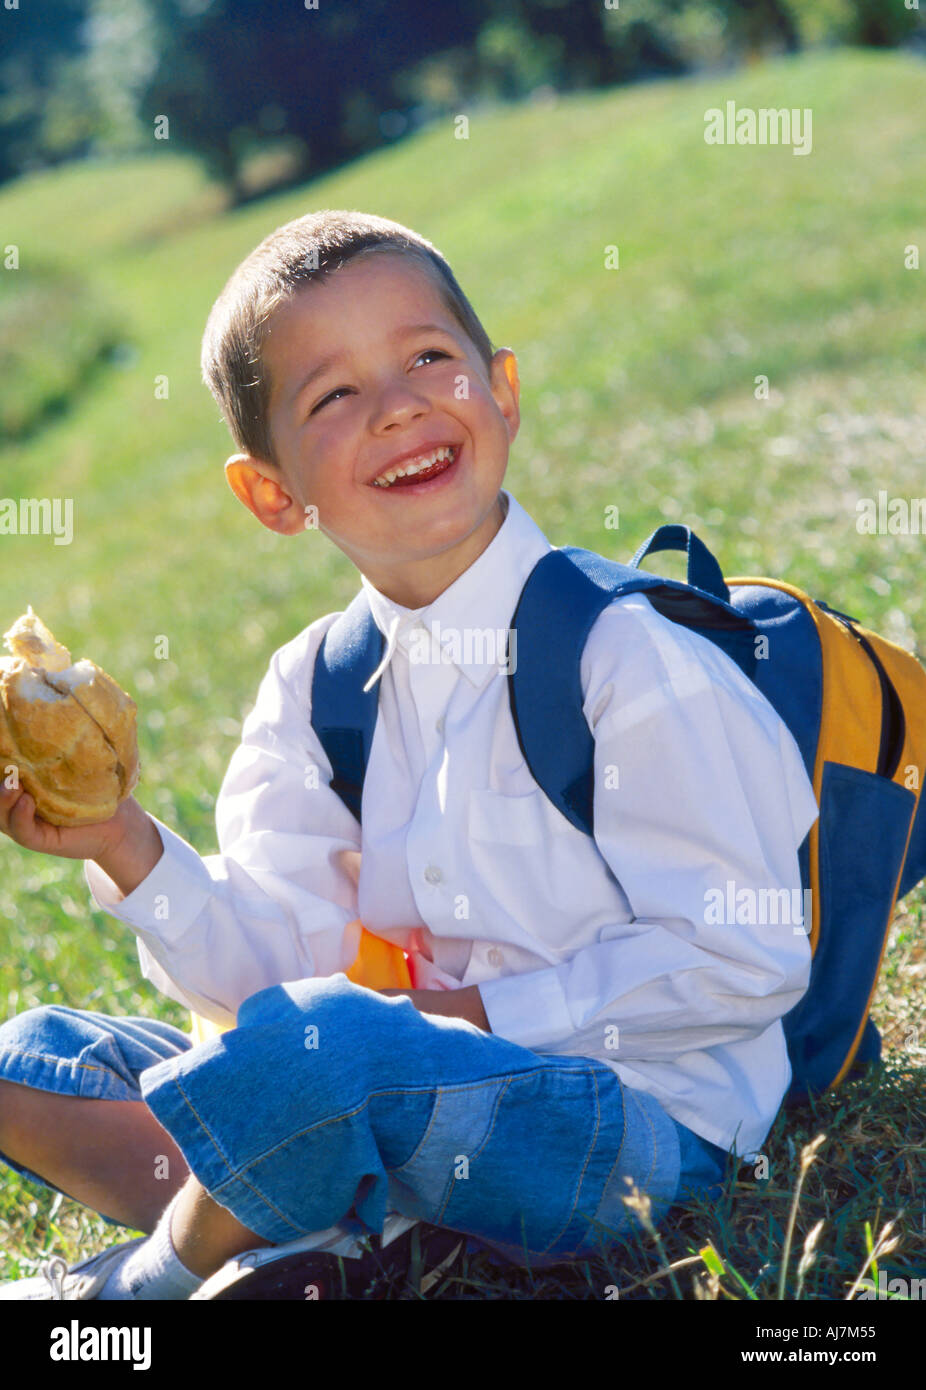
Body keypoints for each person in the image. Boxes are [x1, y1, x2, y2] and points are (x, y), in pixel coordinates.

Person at [0, 210, 819, 1300]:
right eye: (332, 396)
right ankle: (312, 1223)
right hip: (376, 1079)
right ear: (273, 494)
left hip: (635, 1128)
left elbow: (745, 957)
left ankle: (145, 1284)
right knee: (29, 1052)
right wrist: (124, 842)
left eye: (429, 358)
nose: (398, 406)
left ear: (503, 390)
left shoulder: (624, 655)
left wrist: (461, 1018)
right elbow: (267, 978)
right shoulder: (315, 686)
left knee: (332, 1047)